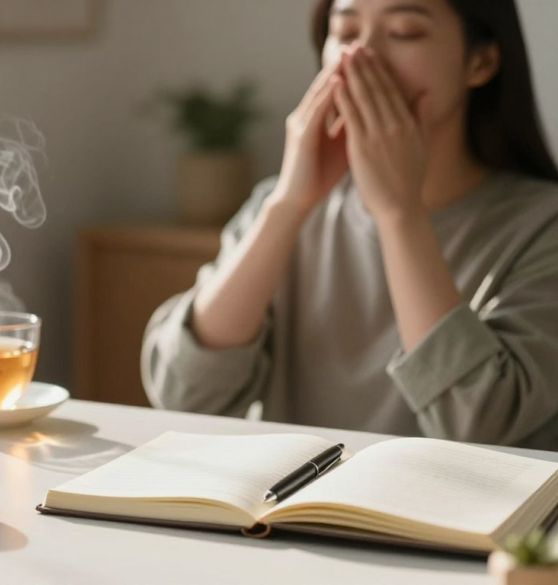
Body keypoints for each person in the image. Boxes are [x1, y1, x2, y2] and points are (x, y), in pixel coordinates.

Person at [142, 0, 558, 450]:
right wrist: (287, 205)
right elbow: (183, 395)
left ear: (480, 62)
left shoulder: (542, 224)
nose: (363, 55)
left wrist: (399, 213)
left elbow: (482, 426)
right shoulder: (283, 206)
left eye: (404, 32)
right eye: (344, 32)